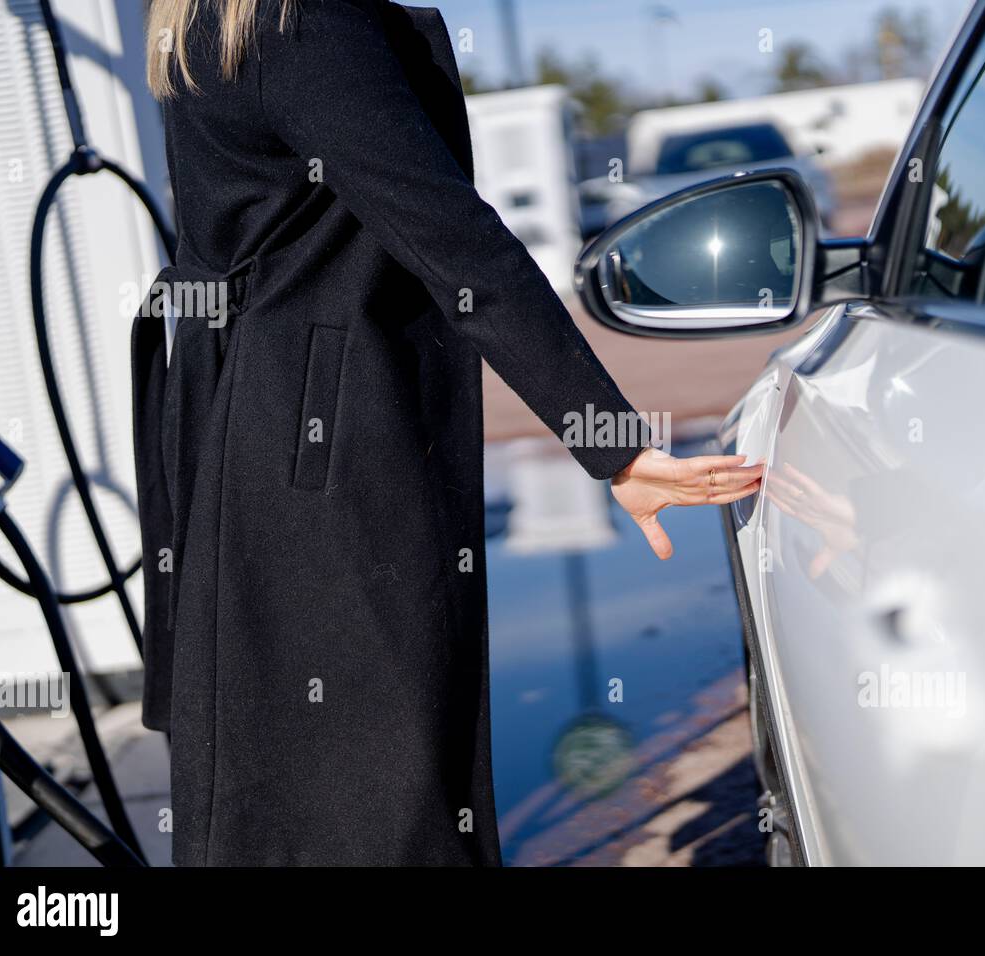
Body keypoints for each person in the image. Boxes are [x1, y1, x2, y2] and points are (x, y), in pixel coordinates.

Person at [132, 0, 763, 865]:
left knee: (278, 787)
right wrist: (613, 443)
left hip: (247, 432)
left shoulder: (206, 22)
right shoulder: (303, 24)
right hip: (324, 456)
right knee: (380, 797)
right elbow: (457, 244)